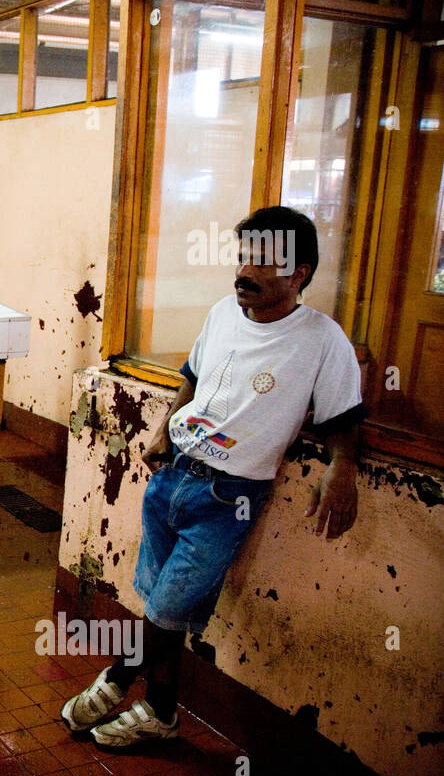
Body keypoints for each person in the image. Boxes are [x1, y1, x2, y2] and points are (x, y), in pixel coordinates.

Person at [61, 205, 365, 748]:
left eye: (264, 263)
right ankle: (160, 713)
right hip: (173, 476)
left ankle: (118, 679)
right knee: (158, 600)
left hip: (231, 497)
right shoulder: (225, 312)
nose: (245, 271)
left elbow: (343, 419)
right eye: (244, 257)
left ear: (299, 274)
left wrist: (342, 468)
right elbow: (193, 379)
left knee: (167, 606)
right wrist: (160, 432)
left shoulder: (322, 341)